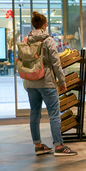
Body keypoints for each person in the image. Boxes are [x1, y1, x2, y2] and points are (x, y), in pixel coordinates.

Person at [23, 11, 76, 156]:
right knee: (54, 114)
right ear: (44, 24)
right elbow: (56, 63)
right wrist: (62, 81)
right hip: (46, 81)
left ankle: (38, 145)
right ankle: (59, 146)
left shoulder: (27, 39)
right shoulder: (48, 40)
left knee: (35, 113)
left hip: (31, 81)